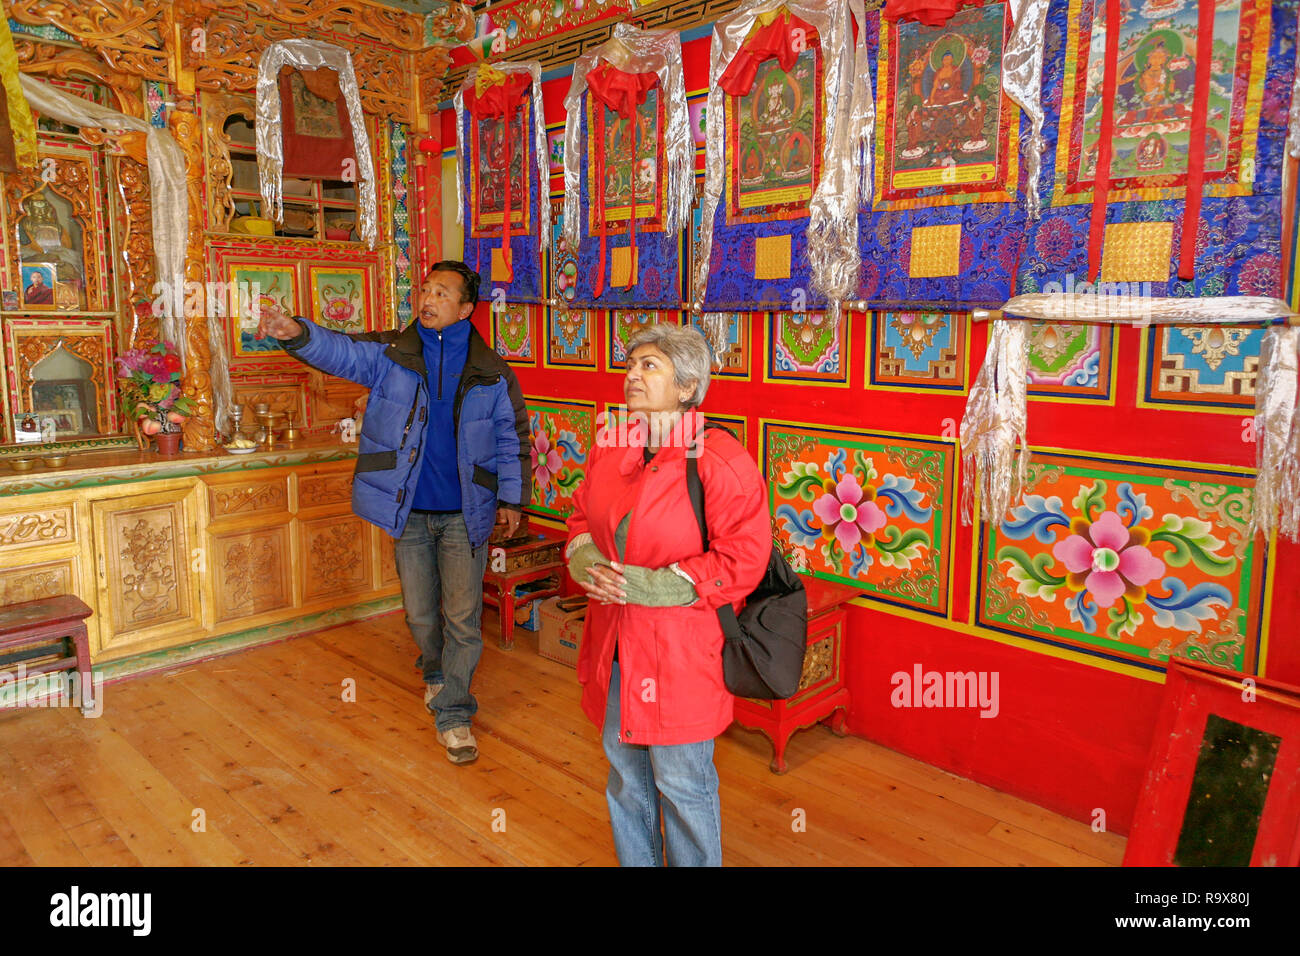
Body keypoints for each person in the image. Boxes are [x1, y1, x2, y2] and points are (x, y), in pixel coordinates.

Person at [257, 260, 531, 765]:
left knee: (464, 619)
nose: (427, 299)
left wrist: (513, 500)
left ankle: (454, 715)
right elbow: (341, 351)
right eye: (424, 290)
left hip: (466, 512)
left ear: (467, 309)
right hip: (409, 509)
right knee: (422, 614)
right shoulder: (393, 354)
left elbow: (512, 439)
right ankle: (435, 673)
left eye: (441, 293)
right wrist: (295, 332)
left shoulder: (492, 372)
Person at [565, 324, 771, 866]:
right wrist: (585, 557)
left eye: (649, 366)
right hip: (614, 643)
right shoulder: (613, 447)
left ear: (687, 387)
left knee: (683, 786)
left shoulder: (720, 461)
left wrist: (653, 585)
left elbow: (742, 560)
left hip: (680, 653)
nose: (632, 374)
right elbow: (580, 516)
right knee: (626, 778)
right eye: (631, 364)